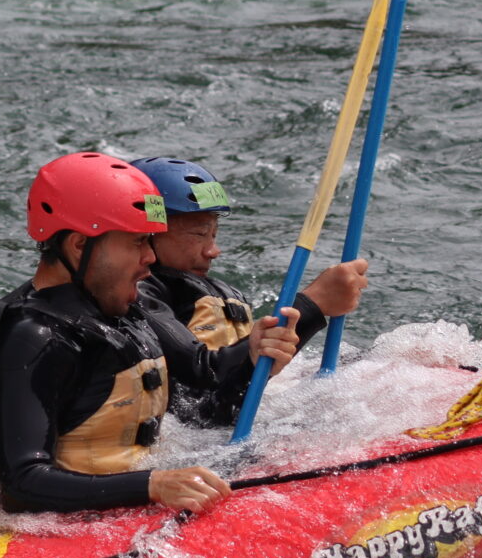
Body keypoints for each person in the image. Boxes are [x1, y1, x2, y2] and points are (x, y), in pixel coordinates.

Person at [0, 152, 300, 516]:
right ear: (80, 244)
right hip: (46, 535)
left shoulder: (118, 315)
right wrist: (152, 486)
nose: (150, 259)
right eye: (137, 242)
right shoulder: (30, 338)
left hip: (114, 508)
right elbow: (19, 485)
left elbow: (202, 395)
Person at [131, 156, 368, 423]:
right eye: (199, 234)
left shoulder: (220, 291)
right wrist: (312, 305)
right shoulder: (134, 294)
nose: (213, 251)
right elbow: (202, 380)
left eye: (214, 235)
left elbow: (240, 386)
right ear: (145, 233)